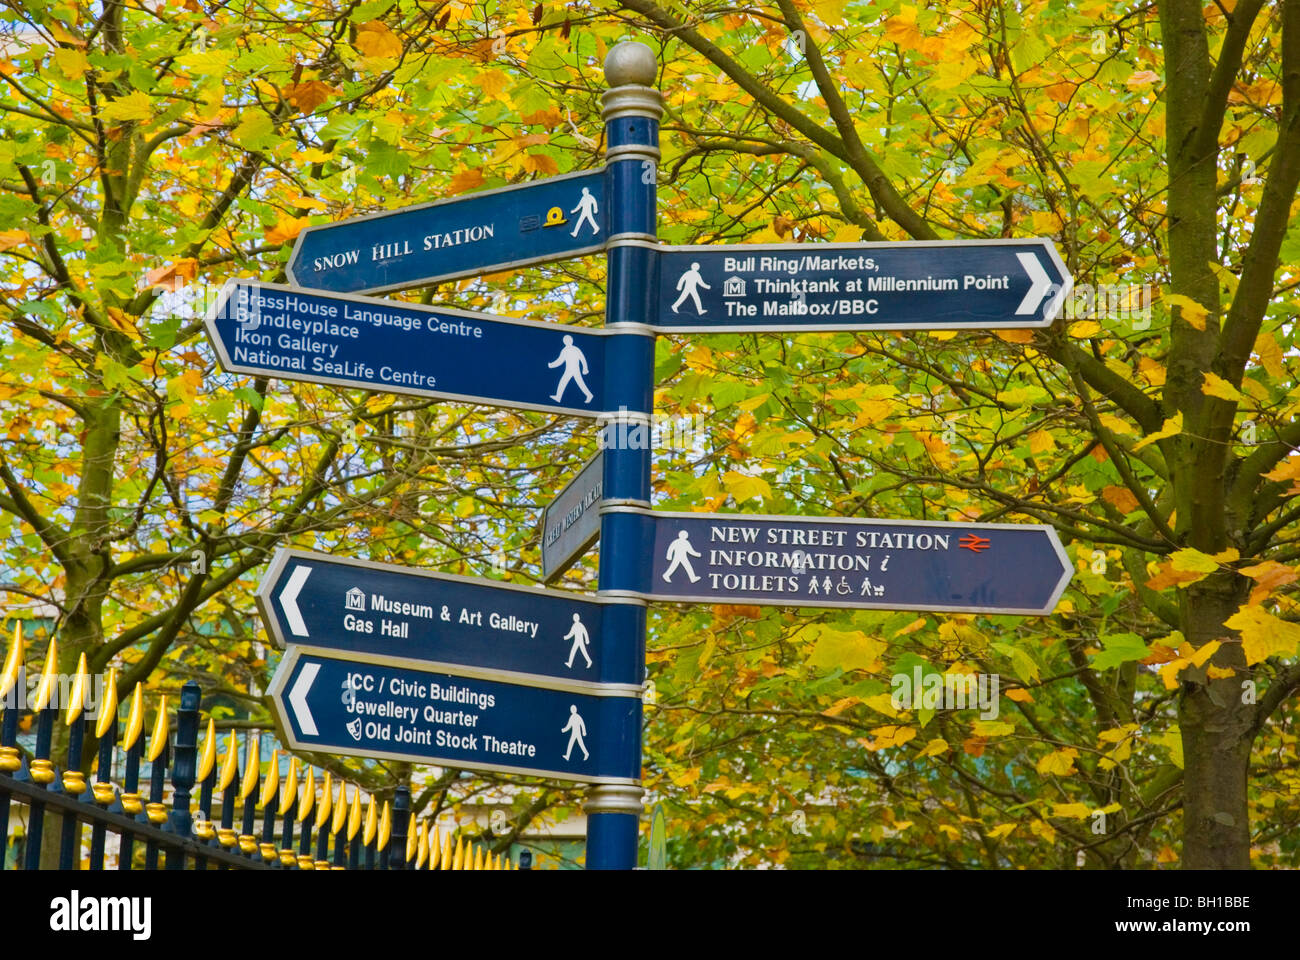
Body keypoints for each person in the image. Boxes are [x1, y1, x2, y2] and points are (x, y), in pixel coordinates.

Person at [548, 334, 594, 403]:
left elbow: (582, 358)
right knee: (565, 382)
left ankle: (589, 395)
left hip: (574, 370)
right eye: (566, 340)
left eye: (568, 340)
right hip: (570, 370)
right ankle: (558, 397)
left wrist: (585, 368)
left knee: (578, 383)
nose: (567, 341)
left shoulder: (573, 349)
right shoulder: (566, 350)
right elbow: (560, 360)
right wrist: (552, 365)